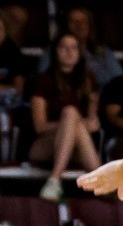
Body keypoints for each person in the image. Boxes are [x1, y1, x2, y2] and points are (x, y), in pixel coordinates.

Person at [29, 32, 102, 201]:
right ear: (55, 51)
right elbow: (39, 126)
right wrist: (70, 122)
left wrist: (75, 123)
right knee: (70, 113)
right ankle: (99, 179)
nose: (69, 52)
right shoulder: (41, 80)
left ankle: (55, 182)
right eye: (63, 47)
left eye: (74, 48)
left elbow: (94, 124)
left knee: (73, 118)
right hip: (44, 146)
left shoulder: (88, 80)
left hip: (77, 148)